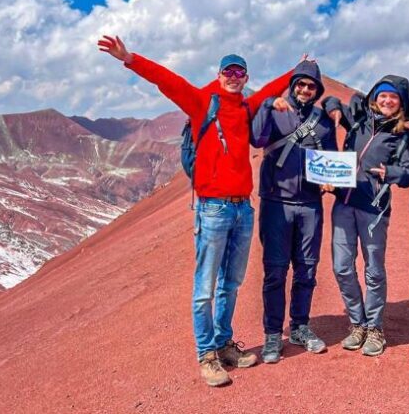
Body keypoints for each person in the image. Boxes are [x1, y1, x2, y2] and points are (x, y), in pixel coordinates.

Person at [98, 35, 296, 388]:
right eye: (228, 71)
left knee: (231, 283)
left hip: (243, 208)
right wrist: (129, 58)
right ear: (219, 75)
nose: (233, 77)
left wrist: (299, 70)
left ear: (245, 78)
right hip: (213, 209)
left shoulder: (246, 107)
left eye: (239, 72)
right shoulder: (203, 102)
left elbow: (270, 90)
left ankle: (223, 344)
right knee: (205, 286)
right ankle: (206, 354)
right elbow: (168, 81)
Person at [321, 75, 409, 357]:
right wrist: (333, 107)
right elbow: (330, 100)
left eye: (394, 97)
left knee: (373, 271)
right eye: (383, 95)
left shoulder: (402, 136)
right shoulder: (358, 121)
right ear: (375, 98)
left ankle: (375, 328)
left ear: (401, 103)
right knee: (342, 267)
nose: (387, 100)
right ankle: (357, 323)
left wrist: (392, 173)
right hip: (343, 205)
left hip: (374, 210)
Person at [250, 60, 338, 364]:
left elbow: (332, 156)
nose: (305, 89)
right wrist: (266, 105)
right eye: (300, 84)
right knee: (275, 272)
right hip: (276, 203)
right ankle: (273, 333)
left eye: (311, 86)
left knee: (307, 270)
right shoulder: (276, 110)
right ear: (292, 85)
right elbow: (257, 138)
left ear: (317, 90)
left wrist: (331, 181)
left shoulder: (322, 120)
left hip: (310, 205)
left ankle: (300, 327)